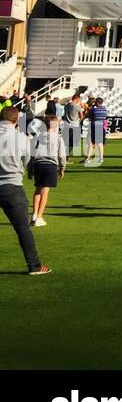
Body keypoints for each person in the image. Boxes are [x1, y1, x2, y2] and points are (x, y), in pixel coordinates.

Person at [0, 106, 50, 275]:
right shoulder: (21, 138)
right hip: (12, 186)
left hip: (9, 184)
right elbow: (26, 160)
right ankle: (34, 265)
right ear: (15, 120)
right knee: (22, 229)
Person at [29, 111, 66, 227]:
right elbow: (62, 155)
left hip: (38, 164)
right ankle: (39, 217)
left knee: (38, 189)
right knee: (45, 191)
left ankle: (34, 214)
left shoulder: (37, 137)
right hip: (50, 165)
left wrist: (30, 169)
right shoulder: (58, 138)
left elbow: (32, 153)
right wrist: (62, 168)